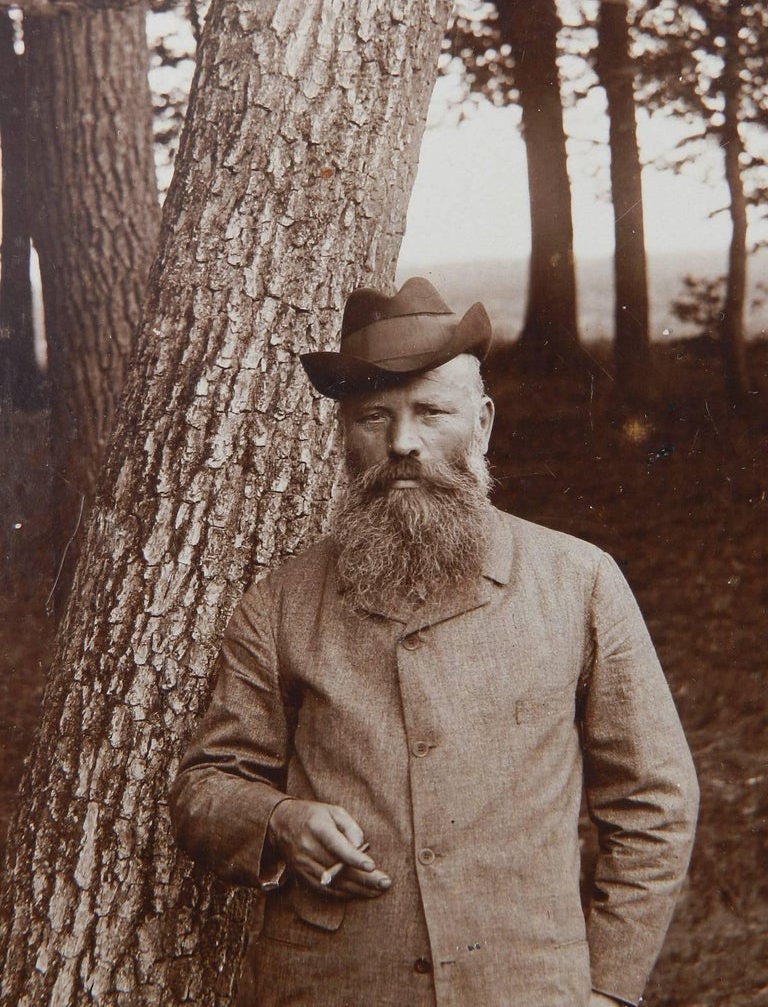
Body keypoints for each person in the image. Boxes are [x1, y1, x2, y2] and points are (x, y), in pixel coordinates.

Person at [169, 277, 699, 1007]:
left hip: (527, 986)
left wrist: (608, 987)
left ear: (481, 424)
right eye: (373, 416)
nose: (403, 443)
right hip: (334, 986)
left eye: (431, 412)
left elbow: (655, 801)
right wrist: (279, 820)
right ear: (343, 433)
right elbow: (206, 783)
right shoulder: (283, 601)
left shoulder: (580, 583)